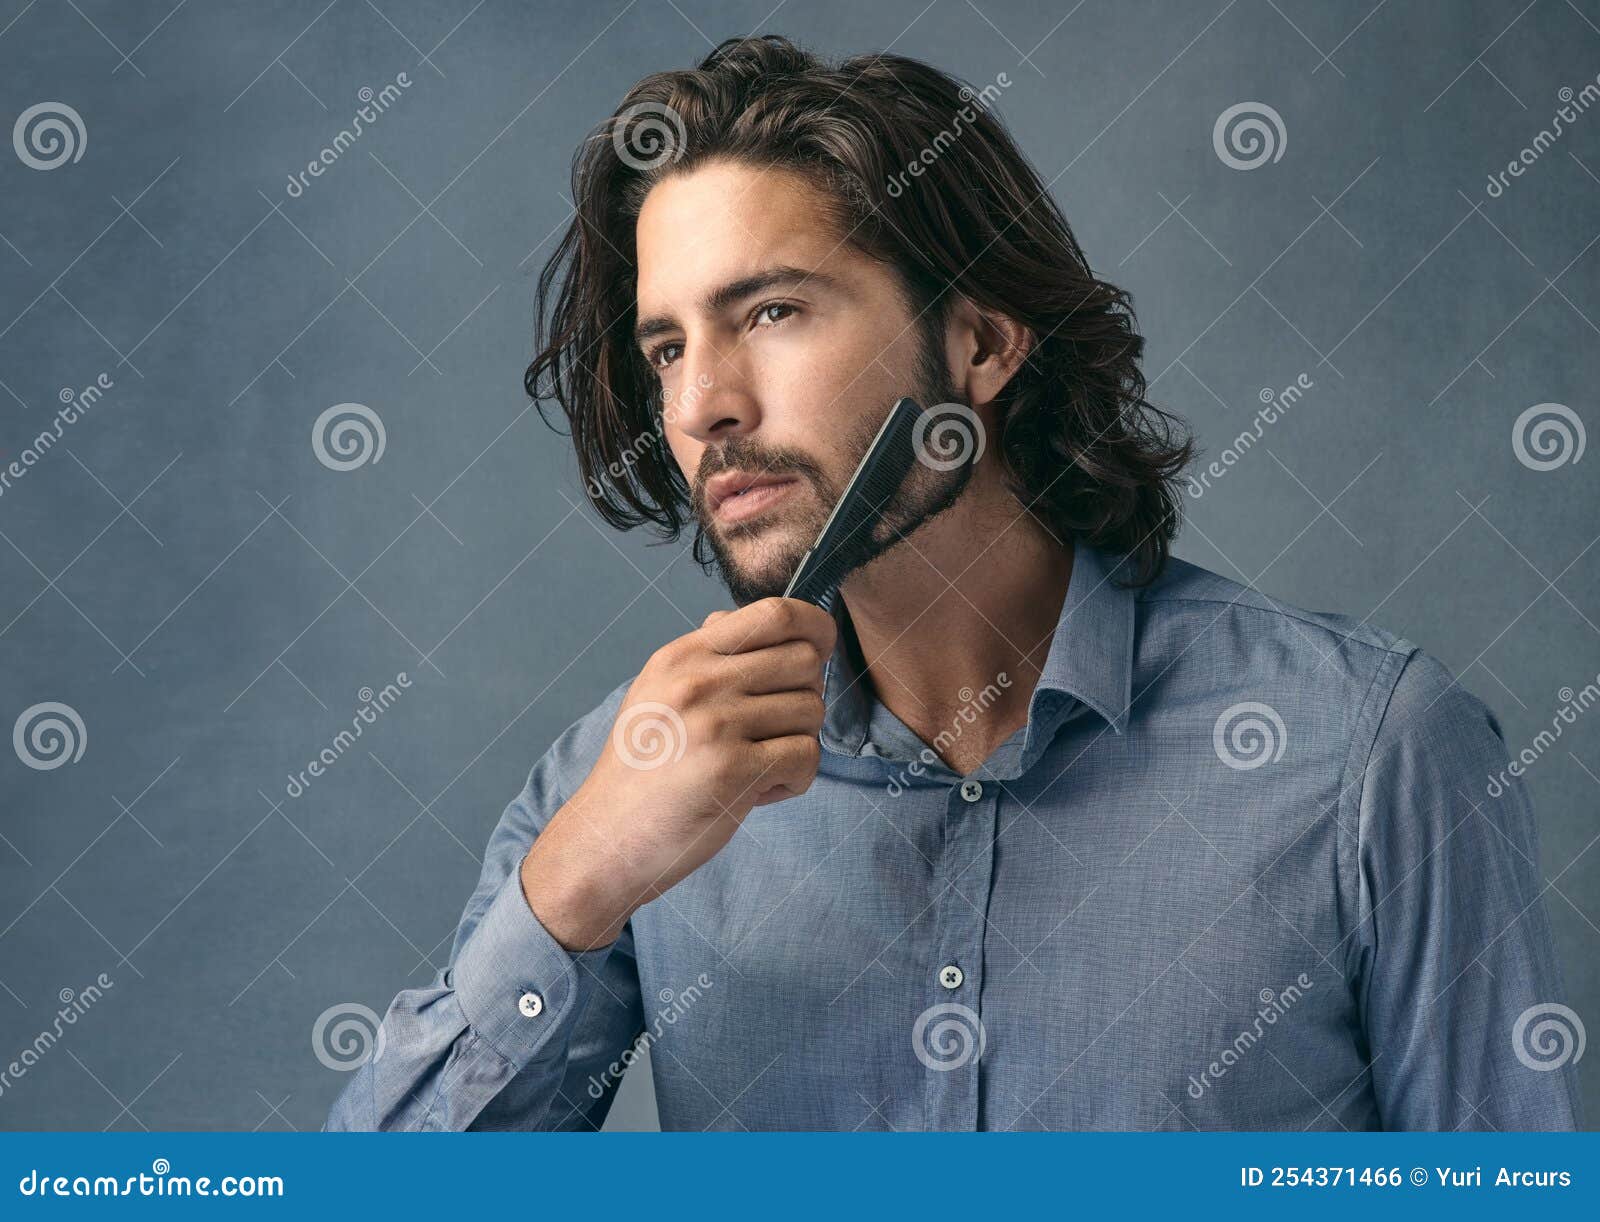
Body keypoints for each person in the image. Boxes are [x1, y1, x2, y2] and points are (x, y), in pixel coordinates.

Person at [325, 35, 1581, 1131]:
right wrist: (574, 887)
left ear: (980, 342)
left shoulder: (1368, 759)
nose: (700, 404)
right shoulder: (620, 789)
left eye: (768, 313)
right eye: (668, 345)